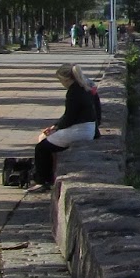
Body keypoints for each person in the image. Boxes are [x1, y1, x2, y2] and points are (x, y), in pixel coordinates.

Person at [29, 63, 100, 192]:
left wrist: (55, 129)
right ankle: (50, 174)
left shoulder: (73, 92)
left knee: (41, 147)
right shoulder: (85, 86)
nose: (62, 84)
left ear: (67, 79)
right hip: (89, 128)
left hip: (80, 130)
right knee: (48, 141)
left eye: (61, 81)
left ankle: (43, 180)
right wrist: (55, 126)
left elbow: (69, 118)